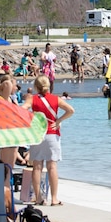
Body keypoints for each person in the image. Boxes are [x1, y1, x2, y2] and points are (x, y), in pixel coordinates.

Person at [27, 75, 75, 205]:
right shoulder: (55, 99)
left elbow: (22, 109)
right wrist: (58, 121)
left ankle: (38, 198)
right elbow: (71, 110)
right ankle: (54, 198)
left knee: (37, 166)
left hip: (37, 135)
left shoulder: (32, 99)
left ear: (36, 87)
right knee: (52, 166)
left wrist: (31, 118)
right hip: (52, 134)